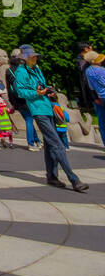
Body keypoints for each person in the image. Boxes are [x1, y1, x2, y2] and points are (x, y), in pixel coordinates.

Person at [12, 45, 88, 193]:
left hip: (47, 107)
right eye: (32, 56)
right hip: (38, 110)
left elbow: (42, 85)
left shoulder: (37, 69)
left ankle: (52, 176)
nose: (35, 58)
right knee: (57, 144)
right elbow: (20, 92)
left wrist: (49, 91)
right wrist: (37, 93)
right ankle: (73, 179)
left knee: (49, 143)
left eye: (34, 56)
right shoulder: (21, 72)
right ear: (25, 58)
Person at [6, 48, 40, 150]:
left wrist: (12, 102)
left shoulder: (9, 70)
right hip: (25, 97)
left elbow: (9, 87)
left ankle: (37, 140)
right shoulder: (23, 69)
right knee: (29, 119)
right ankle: (31, 143)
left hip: (16, 99)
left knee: (28, 119)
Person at [83, 50, 105, 150]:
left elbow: (91, 87)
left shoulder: (88, 71)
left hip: (100, 96)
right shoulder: (101, 70)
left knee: (102, 122)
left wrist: (95, 97)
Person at [76, 41, 95, 112]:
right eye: (90, 47)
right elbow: (82, 68)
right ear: (86, 49)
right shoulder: (81, 60)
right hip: (91, 90)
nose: (92, 48)